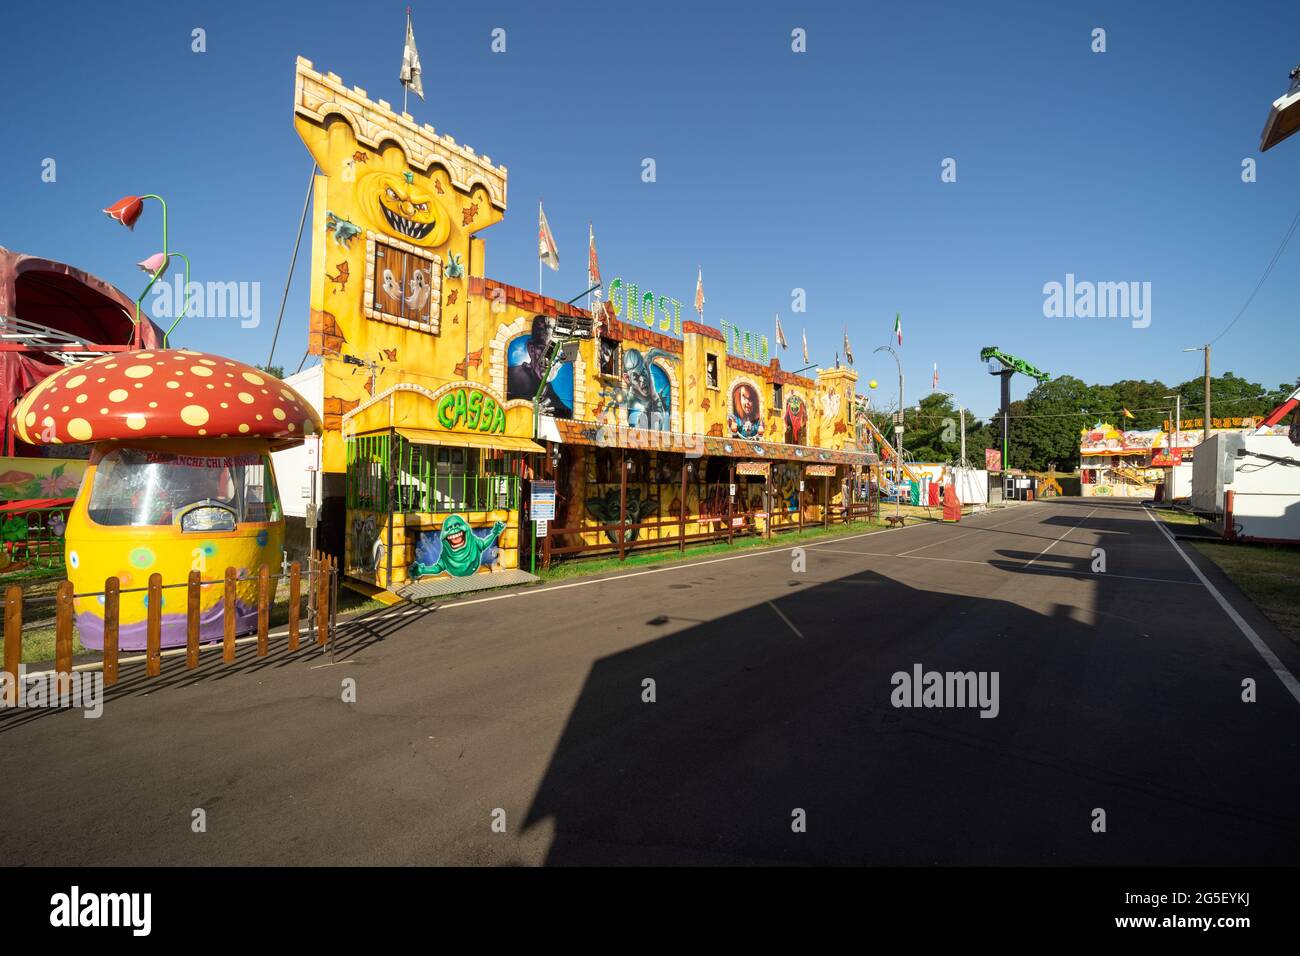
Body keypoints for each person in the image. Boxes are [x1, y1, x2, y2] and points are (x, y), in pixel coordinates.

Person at [507, 315, 572, 418]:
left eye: (557, 352)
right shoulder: (510, 379)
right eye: (543, 348)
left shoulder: (562, 410)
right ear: (531, 349)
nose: (549, 358)